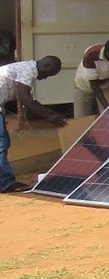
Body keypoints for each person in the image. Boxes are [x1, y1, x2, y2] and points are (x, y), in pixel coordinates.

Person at [0, 56, 67, 193]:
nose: (45, 78)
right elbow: (26, 99)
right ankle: (6, 183)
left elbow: (28, 100)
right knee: (2, 143)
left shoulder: (25, 68)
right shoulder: (28, 70)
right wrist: (51, 116)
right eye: (48, 74)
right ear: (46, 66)